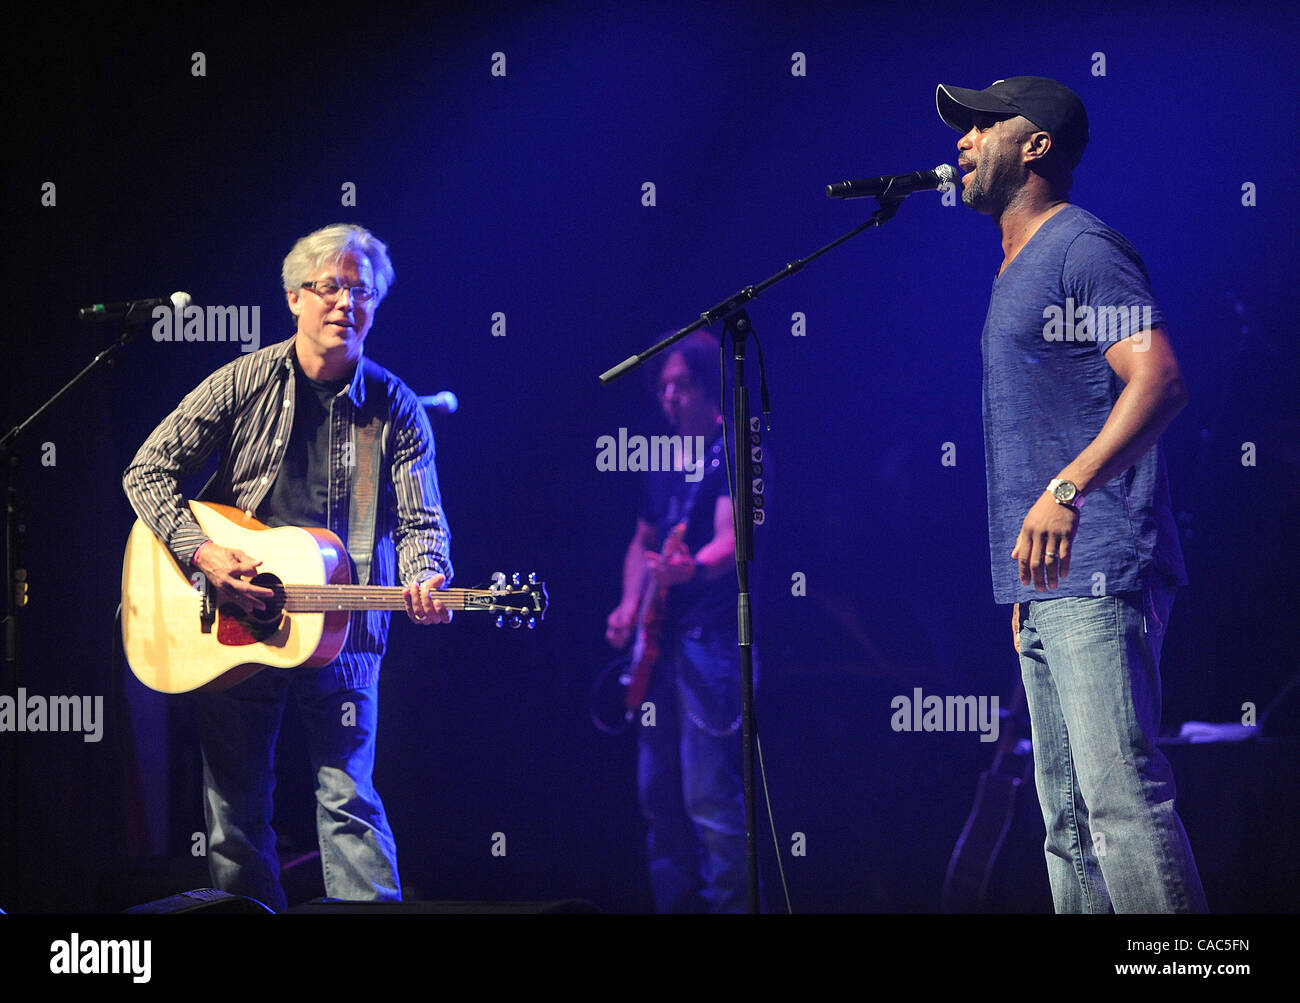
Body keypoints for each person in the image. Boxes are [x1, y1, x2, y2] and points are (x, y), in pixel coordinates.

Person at [123, 223, 453, 912]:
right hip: (233, 619)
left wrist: (430, 575)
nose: (344, 303)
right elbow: (146, 470)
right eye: (328, 286)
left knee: (349, 798)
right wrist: (202, 551)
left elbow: (422, 519)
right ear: (294, 298)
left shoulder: (396, 405)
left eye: (360, 290)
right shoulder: (243, 381)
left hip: (346, 629)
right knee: (236, 810)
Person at [937, 76, 1207, 912]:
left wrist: (1067, 489)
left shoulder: (1082, 248)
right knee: (1066, 822)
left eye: (983, 125)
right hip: (1047, 585)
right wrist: (1026, 587)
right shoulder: (1013, 268)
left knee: (1120, 802)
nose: (963, 140)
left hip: (1097, 566)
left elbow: (1157, 379)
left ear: (1036, 146)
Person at [604, 331, 748, 913]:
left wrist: (695, 568)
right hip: (657, 645)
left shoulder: (731, 450)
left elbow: (731, 539)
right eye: (662, 386)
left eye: (681, 385)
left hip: (708, 644)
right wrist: (627, 606)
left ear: (707, 387)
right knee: (657, 796)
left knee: (709, 798)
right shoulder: (661, 463)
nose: (669, 397)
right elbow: (642, 542)